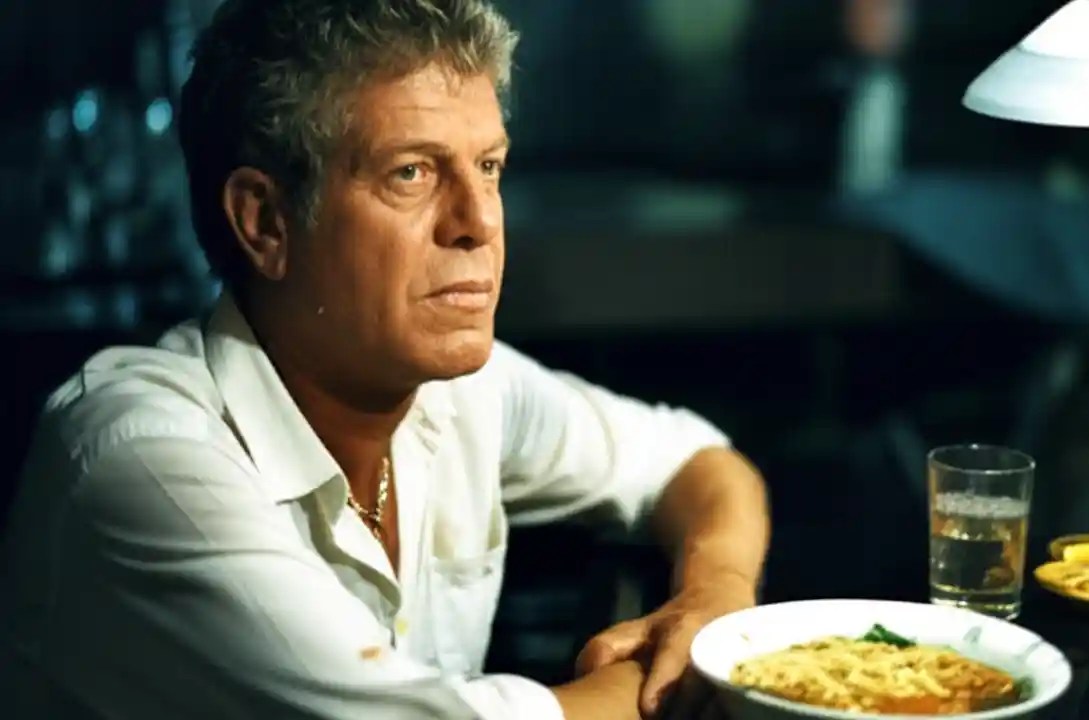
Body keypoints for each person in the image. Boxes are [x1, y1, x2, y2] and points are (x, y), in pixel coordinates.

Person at [0, 1, 771, 718]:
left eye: (490, 167)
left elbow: (696, 460)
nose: (478, 223)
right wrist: (698, 670)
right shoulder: (139, 455)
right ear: (264, 221)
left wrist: (716, 594)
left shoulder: (458, 393)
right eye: (413, 173)